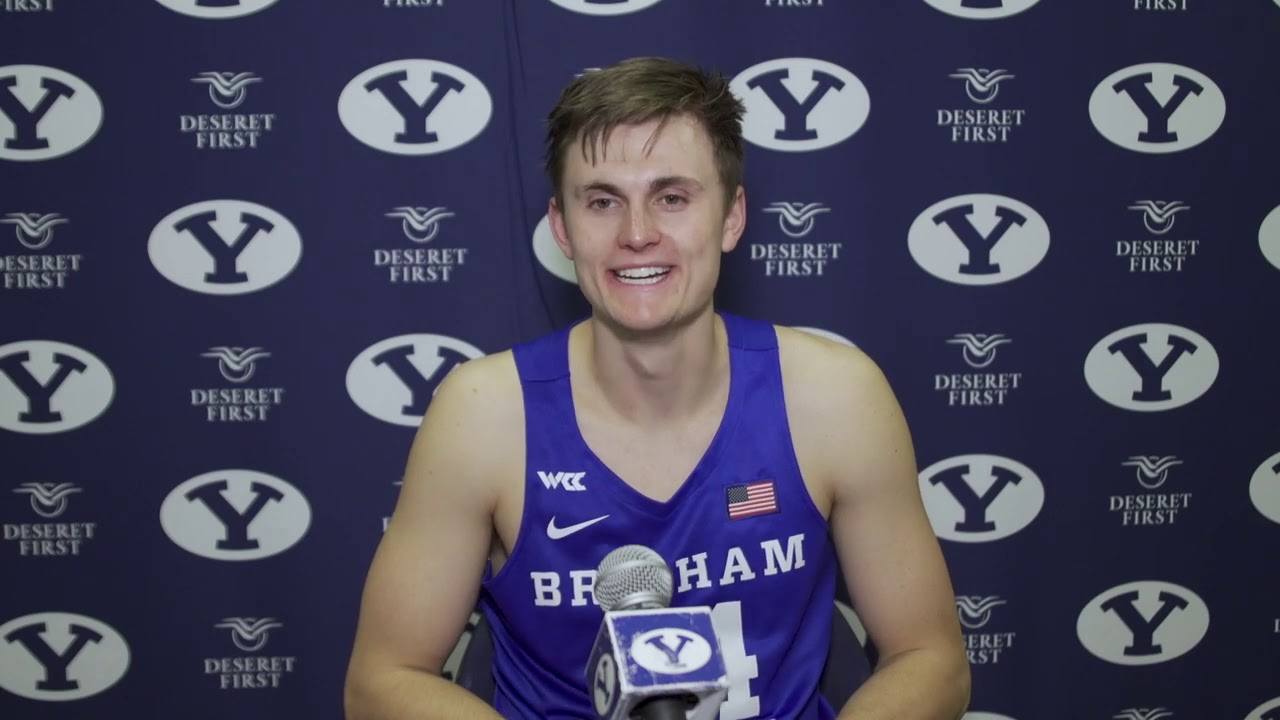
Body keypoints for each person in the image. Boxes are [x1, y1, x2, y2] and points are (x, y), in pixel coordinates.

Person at [344, 56, 970, 720]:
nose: (637, 234)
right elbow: (382, 680)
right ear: (562, 229)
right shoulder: (483, 415)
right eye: (603, 201)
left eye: (672, 198)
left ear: (731, 216)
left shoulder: (835, 396)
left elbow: (932, 660)